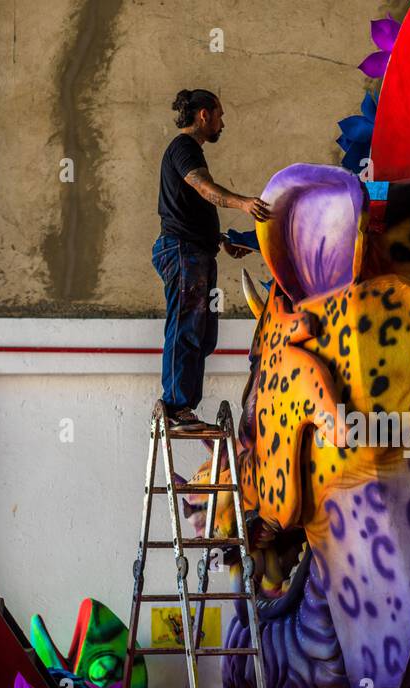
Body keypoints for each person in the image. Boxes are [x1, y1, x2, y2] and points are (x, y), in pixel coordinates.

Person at [154, 89, 271, 432]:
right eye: (219, 114)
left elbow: (191, 206)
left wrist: (219, 241)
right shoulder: (183, 148)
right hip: (182, 252)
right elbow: (205, 189)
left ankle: (184, 407)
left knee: (203, 336)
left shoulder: (190, 151)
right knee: (187, 327)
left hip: (197, 251)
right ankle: (175, 408)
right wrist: (244, 204)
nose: (223, 123)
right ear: (203, 115)